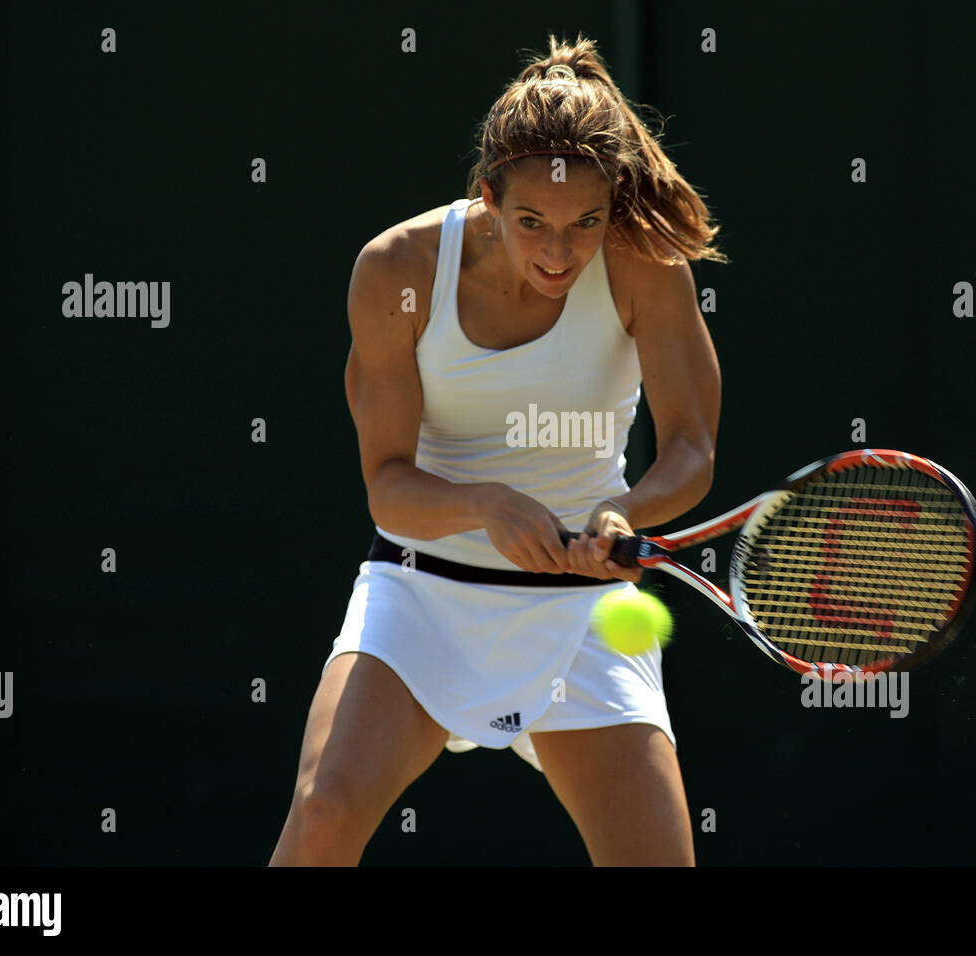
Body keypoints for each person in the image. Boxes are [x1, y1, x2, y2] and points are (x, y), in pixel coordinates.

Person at [269, 33, 724, 867]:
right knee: (323, 815)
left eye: (586, 223)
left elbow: (691, 449)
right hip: (423, 594)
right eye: (532, 223)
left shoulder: (644, 265)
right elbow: (389, 488)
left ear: (614, 203)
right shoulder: (396, 271)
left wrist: (625, 512)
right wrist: (482, 503)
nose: (559, 254)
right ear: (487, 195)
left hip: (580, 611)